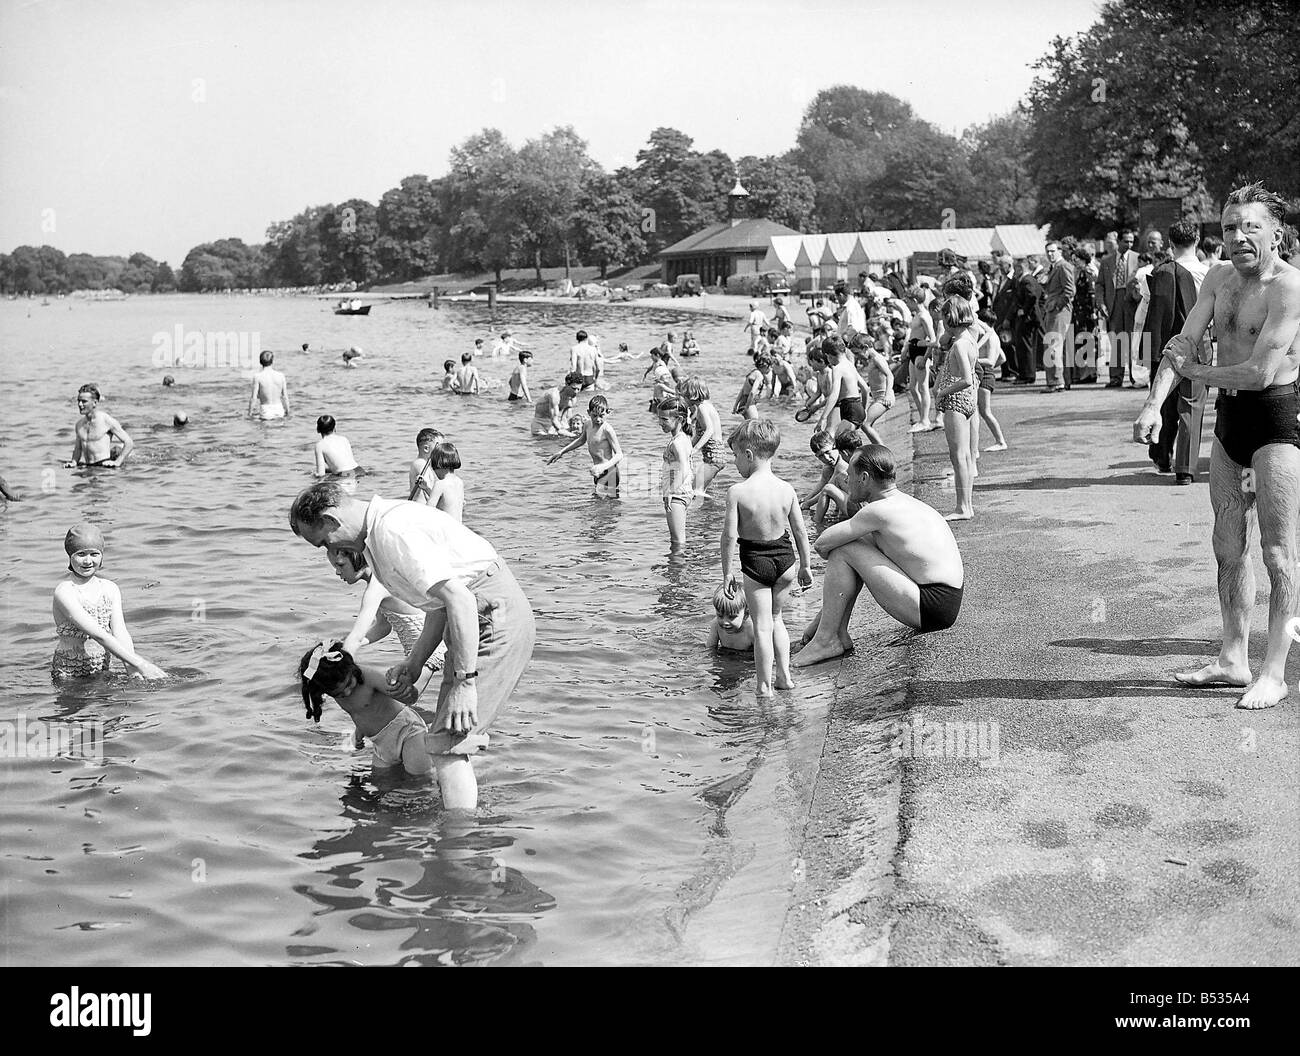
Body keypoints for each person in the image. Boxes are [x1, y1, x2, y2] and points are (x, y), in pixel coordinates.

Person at [1133, 181, 1300, 710]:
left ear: (1276, 231)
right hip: (1229, 420)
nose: (1239, 237)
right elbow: (1182, 343)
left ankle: (1274, 670)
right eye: (1230, 227)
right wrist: (1154, 403)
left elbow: (1260, 371)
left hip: (1274, 419)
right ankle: (1233, 657)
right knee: (1228, 545)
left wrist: (1196, 373)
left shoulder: (1289, 288)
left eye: (1251, 226)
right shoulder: (1220, 279)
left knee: (1278, 552)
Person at [289, 482, 537, 809]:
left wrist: (465, 682)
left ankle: (455, 848)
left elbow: (460, 598)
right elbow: (438, 605)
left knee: (447, 746)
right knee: (446, 743)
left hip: (492, 616)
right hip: (474, 620)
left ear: (331, 521)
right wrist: (415, 662)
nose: (330, 551)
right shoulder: (376, 539)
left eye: (323, 542)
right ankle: (456, 827)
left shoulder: (391, 531)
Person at [793, 445, 964, 666]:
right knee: (854, 547)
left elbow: (822, 544)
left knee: (844, 549)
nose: (845, 479)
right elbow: (860, 564)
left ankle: (827, 639)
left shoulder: (878, 510)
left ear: (864, 478)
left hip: (931, 605)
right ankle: (833, 633)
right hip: (943, 604)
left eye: (850, 475)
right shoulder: (905, 504)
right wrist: (818, 621)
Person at [298, 643, 474, 800]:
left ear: (351, 669)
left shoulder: (367, 677)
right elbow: (358, 713)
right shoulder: (336, 686)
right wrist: (359, 734)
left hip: (407, 732)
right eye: (339, 693)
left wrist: (406, 688)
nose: (347, 692)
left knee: (420, 782)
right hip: (380, 743)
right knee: (382, 785)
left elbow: (403, 695)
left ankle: (442, 798)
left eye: (349, 683)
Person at [721, 419, 813, 696]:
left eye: (736, 456)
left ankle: (763, 686)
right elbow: (800, 531)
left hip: (755, 562)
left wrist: (727, 572)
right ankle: (784, 676)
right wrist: (806, 566)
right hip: (786, 560)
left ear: (748, 455)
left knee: (762, 626)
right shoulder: (787, 489)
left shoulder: (737, 492)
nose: (735, 462)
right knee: (777, 620)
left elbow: (728, 537)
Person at [52, 523, 166, 681]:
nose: (87, 561)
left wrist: (132, 670)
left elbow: (121, 632)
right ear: (70, 556)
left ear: (102, 556)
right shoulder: (65, 591)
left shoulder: (110, 588)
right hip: (69, 672)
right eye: (81, 554)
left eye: (94, 554)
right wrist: (142, 664)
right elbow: (98, 635)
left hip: (102, 667)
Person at [1142, 219, 1209, 482]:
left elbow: (1150, 314)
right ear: (1198, 241)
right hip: (1197, 345)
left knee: (1164, 403)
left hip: (1165, 345)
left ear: (1169, 244)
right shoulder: (1209, 274)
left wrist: (1147, 353)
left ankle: (1161, 455)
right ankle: (1186, 469)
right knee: (1191, 408)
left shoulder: (1159, 273)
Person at [332, 548, 445, 677]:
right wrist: (345, 643)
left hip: (427, 651)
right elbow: (383, 627)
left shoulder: (376, 587)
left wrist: (340, 664)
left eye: (341, 565)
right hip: (420, 650)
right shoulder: (379, 579)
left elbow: (357, 635)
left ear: (358, 558)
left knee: (394, 695)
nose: (337, 572)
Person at [934, 296, 978, 520]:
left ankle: (963, 507)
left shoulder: (960, 344)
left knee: (958, 456)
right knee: (966, 455)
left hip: (956, 402)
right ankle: (966, 505)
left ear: (950, 318)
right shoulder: (970, 338)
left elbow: (967, 379)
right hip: (968, 402)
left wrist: (942, 391)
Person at [547, 395, 624, 497]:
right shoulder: (587, 424)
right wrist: (562, 452)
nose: (598, 419)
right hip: (597, 472)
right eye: (594, 415)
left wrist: (603, 467)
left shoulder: (607, 430)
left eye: (601, 416)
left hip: (609, 472)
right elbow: (580, 440)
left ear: (608, 413)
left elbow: (619, 455)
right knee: (598, 505)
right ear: (588, 413)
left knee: (606, 506)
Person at [1103, 231, 1141, 387]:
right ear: (1119, 241)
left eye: (1132, 242)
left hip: (1132, 302)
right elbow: (1100, 285)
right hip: (1115, 302)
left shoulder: (1138, 258)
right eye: (1126, 241)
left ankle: (1136, 376)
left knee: (1134, 340)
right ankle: (1116, 377)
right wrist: (1101, 303)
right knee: (1117, 340)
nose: (1129, 245)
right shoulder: (1107, 261)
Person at [65, 383, 133, 468]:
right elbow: (78, 449)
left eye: (84, 401)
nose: (80, 404)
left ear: (95, 403)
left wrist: (118, 462)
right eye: (79, 401)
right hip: (88, 467)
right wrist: (73, 462)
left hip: (104, 468)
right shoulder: (79, 424)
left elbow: (129, 442)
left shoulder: (106, 420)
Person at [657, 396, 694, 550]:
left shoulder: (678, 442)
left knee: (678, 542)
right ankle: (677, 571)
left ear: (679, 419)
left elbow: (684, 468)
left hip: (677, 495)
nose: (660, 423)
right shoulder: (683, 438)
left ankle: (677, 571)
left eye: (664, 419)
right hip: (681, 492)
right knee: (677, 540)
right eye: (659, 418)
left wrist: (671, 491)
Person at [1040, 240, 1076, 392]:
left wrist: (1057, 304)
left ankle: (1057, 381)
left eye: (1053, 251)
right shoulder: (1055, 267)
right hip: (1053, 309)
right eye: (1048, 251)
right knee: (1053, 345)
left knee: (1054, 345)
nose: (1050, 254)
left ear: (1060, 251)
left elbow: (1070, 290)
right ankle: (1056, 380)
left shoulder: (1063, 266)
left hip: (1060, 311)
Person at [800, 427, 852, 530]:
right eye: (821, 456)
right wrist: (806, 498)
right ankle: (836, 515)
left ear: (835, 446)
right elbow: (821, 483)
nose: (826, 458)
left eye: (827, 452)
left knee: (830, 488)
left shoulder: (841, 464)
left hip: (858, 506)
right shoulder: (828, 467)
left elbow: (827, 489)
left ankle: (816, 525)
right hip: (849, 502)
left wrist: (808, 504)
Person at [682, 379, 726, 495]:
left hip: (713, 457)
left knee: (696, 491)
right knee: (699, 489)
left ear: (692, 395)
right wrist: (688, 448)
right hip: (715, 457)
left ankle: (710, 509)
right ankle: (708, 510)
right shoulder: (705, 406)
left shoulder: (702, 408)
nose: (683, 399)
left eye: (684, 396)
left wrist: (695, 449)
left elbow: (709, 430)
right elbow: (699, 434)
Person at [904, 286, 938, 431]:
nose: (906, 303)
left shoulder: (924, 316)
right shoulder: (916, 315)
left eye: (908, 300)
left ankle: (925, 420)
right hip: (913, 349)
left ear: (914, 300)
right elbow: (913, 334)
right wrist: (906, 349)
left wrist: (925, 357)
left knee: (923, 387)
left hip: (920, 351)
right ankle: (922, 417)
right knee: (912, 387)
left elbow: (933, 339)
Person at [421, 441, 465, 522]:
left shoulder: (440, 484)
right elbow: (445, 504)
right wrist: (427, 489)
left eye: (434, 468)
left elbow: (429, 510)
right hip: (458, 528)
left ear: (439, 465)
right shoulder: (459, 482)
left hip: (445, 529)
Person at [707, 583, 755, 653]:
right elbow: (710, 649)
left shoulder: (752, 630)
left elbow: (763, 654)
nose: (725, 622)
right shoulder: (716, 624)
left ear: (745, 615)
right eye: (720, 616)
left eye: (731, 617)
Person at [248, 350, 291, 419]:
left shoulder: (258, 377)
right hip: (279, 409)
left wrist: (249, 414)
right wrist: (288, 412)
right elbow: (285, 397)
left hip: (266, 410)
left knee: (265, 428)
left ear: (260, 362)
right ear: (272, 361)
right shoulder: (281, 375)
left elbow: (253, 398)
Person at [407, 427, 443, 504]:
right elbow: (427, 492)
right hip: (421, 508)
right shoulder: (420, 464)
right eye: (438, 446)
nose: (442, 450)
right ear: (426, 448)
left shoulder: (427, 465)